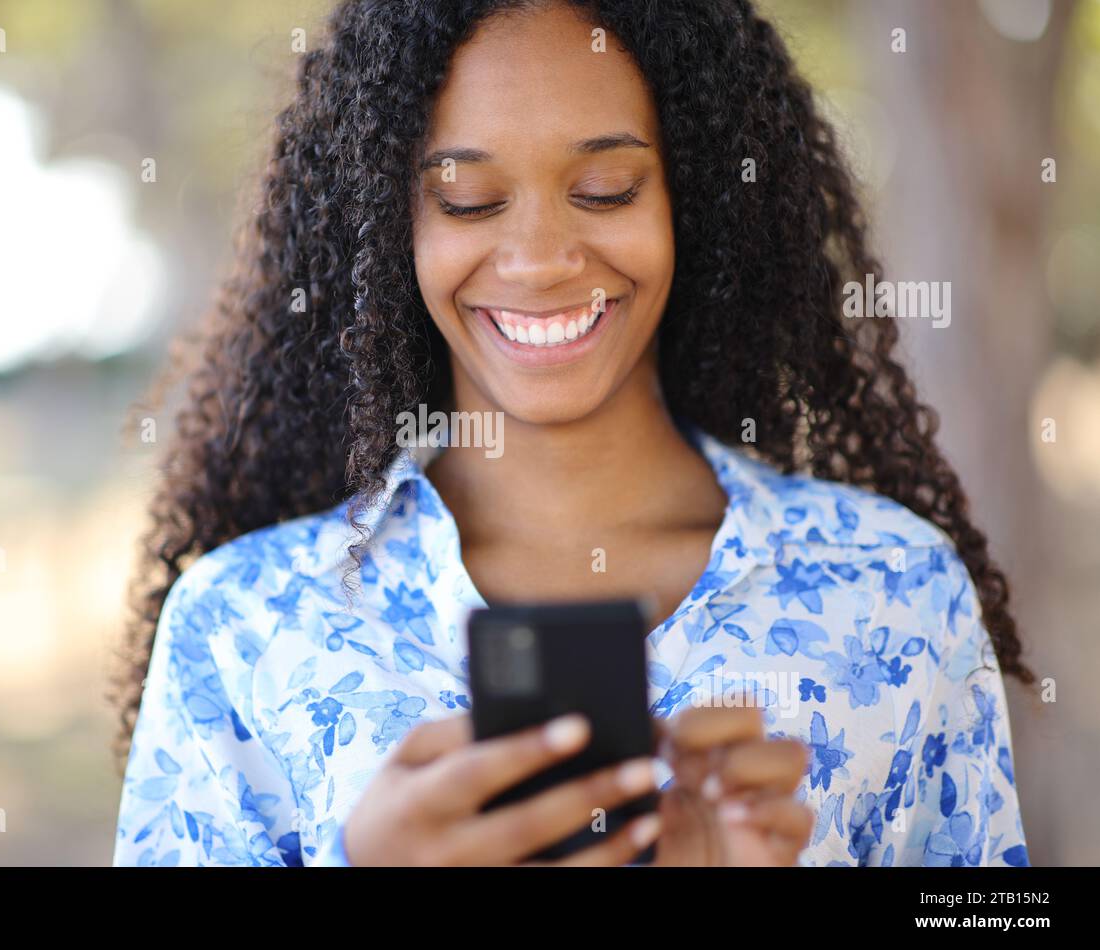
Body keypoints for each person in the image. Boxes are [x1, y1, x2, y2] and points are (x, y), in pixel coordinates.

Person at [110, 0, 1033, 867]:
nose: (541, 258)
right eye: (468, 199)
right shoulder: (240, 624)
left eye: (605, 189)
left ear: (697, 199)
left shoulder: (894, 589)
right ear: (388, 225)